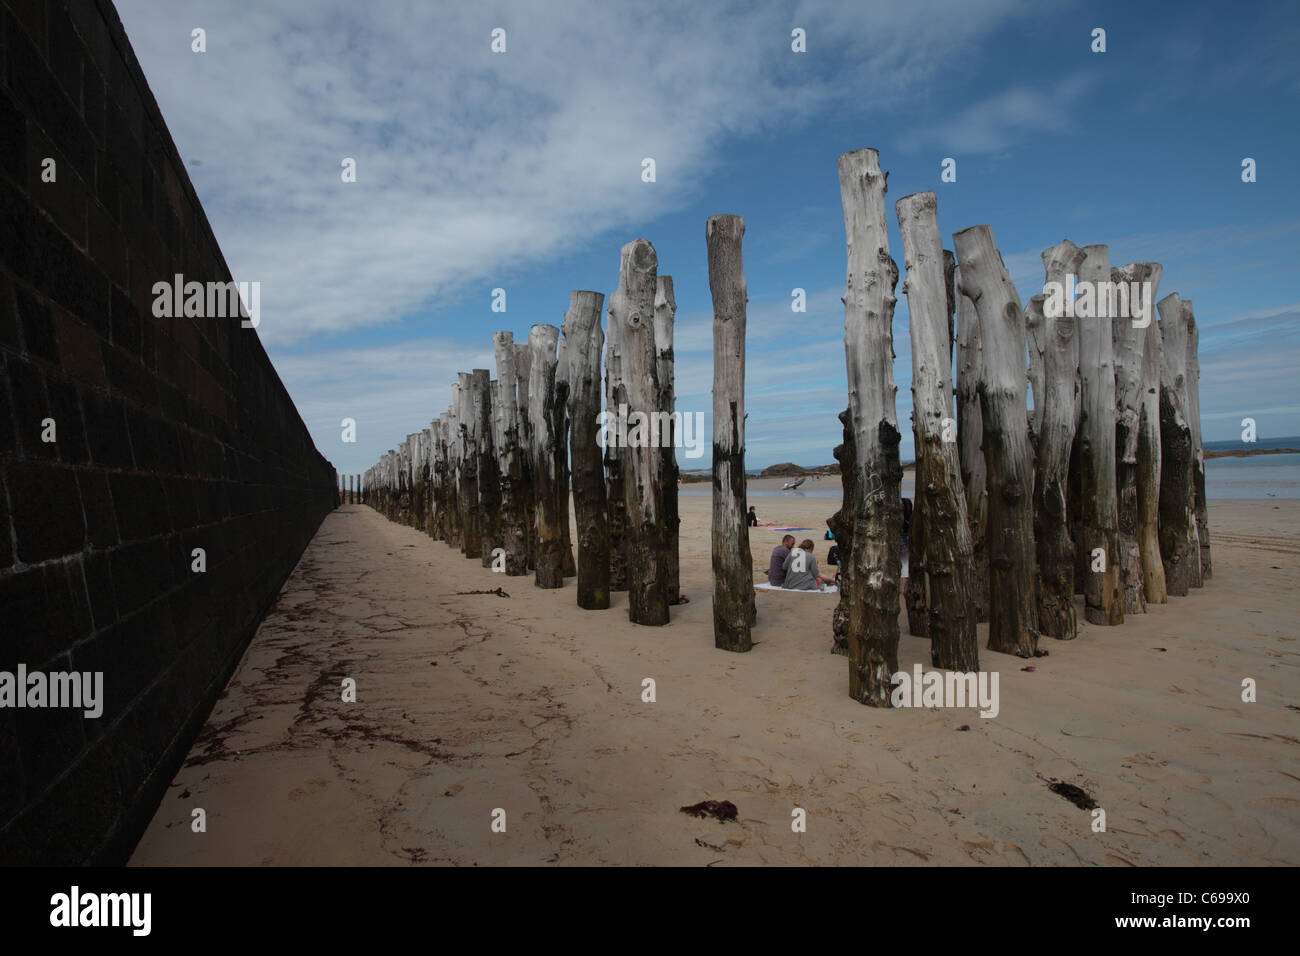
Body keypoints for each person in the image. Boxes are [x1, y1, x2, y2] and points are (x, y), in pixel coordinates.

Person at [901, 497, 913, 591]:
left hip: (900, 544)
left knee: (904, 565)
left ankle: (902, 588)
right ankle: (903, 588)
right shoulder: (911, 521)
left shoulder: (898, 520)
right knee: (905, 565)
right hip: (907, 546)